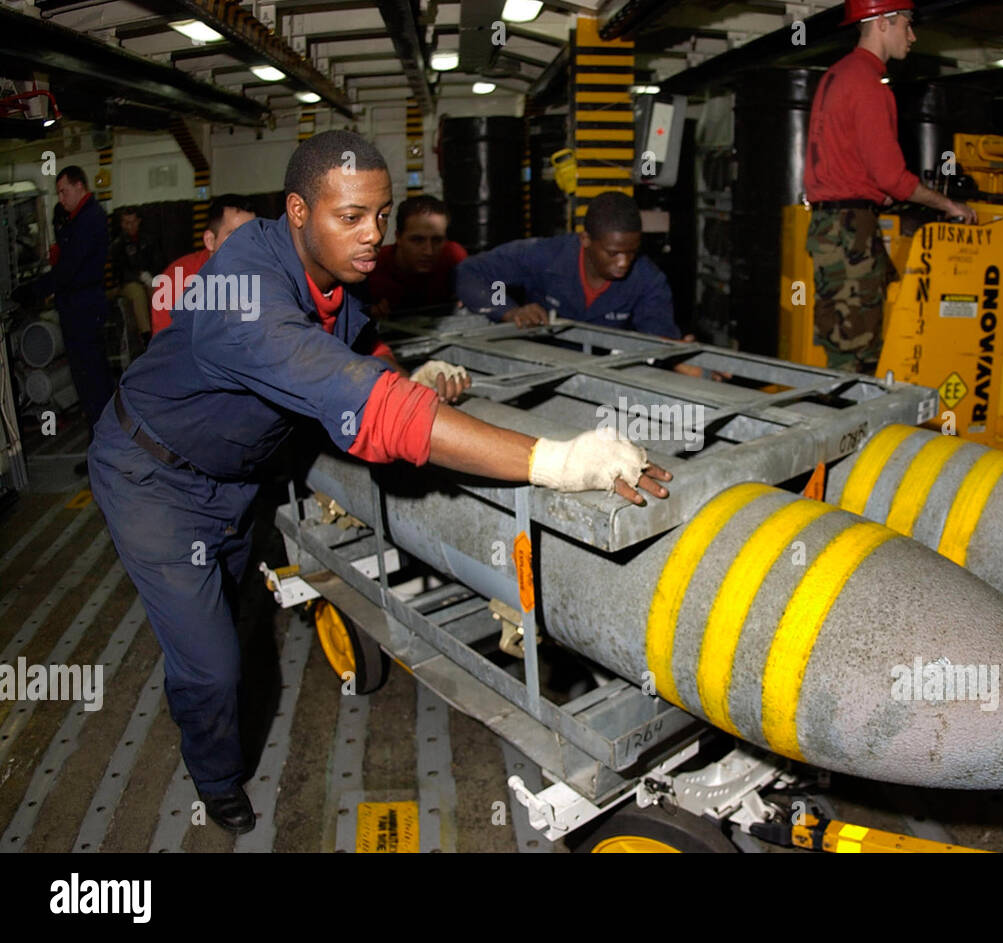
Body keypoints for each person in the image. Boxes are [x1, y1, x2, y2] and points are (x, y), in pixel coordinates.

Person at [86, 130, 669, 835]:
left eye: (382, 215)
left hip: (236, 477)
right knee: (211, 667)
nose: (374, 237)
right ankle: (218, 780)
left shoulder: (329, 271)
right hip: (154, 478)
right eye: (352, 217)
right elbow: (372, 407)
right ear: (298, 211)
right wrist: (559, 460)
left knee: (233, 613)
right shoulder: (244, 293)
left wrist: (403, 371)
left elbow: (361, 345)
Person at [804, 0, 976, 373]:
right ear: (884, 22)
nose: (912, 36)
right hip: (851, 232)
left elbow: (846, 163)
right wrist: (949, 206)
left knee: (842, 342)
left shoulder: (836, 75)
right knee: (858, 357)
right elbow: (892, 178)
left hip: (831, 227)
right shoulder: (867, 83)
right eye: (907, 25)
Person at [455, 191, 678, 337]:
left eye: (632, 252)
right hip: (540, 365)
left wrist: (678, 358)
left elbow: (658, 335)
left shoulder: (648, 279)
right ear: (586, 239)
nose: (624, 263)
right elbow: (470, 272)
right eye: (613, 253)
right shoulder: (545, 255)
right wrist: (509, 310)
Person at [15, 166, 115, 467]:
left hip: (82, 310)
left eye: (64, 191)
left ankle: (103, 452)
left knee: (92, 385)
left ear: (80, 187)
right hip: (81, 308)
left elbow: (68, 269)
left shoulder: (87, 221)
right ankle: (105, 448)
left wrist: (33, 290)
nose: (61, 198)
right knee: (91, 382)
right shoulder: (83, 219)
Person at [151, 193, 257, 335]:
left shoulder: (264, 274)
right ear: (210, 241)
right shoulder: (177, 279)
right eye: (235, 236)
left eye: (252, 235)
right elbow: (165, 349)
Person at [366, 195, 467, 318]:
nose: (428, 251)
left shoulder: (453, 256)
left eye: (437, 240)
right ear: (398, 237)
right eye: (417, 240)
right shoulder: (372, 267)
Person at [110, 206, 165, 342]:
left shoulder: (149, 240)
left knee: (157, 290)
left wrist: (152, 277)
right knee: (137, 293)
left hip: (148, 278)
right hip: (127, 283)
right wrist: (140, 276)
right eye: (127, 223)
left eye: (133, 222)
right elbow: (120, 272)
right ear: (122, 224)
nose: (130, 226)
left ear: (139, 221)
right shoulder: (118, 245)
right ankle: (146, 335)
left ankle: (161, 330)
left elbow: (158, 262)